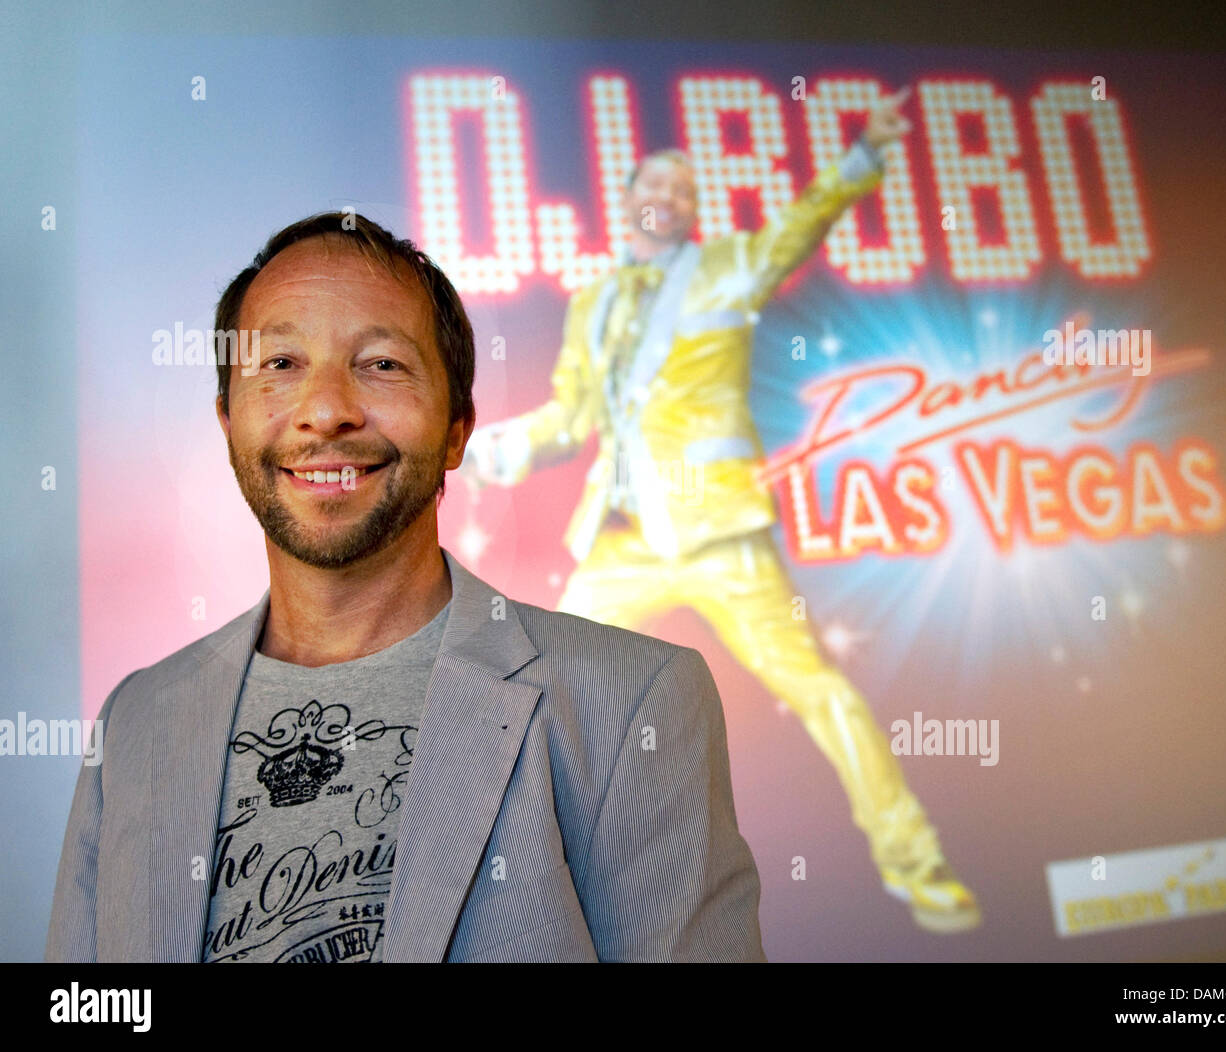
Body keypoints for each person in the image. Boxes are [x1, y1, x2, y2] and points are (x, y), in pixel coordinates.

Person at [45, 213, 764, 963]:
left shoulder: (633, 699)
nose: (326, 412)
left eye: (382, 364)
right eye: (281, 363)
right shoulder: (138, 721)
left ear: (458, 428)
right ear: (228, 420)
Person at [463, 88, 980, 932]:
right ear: (628, 198)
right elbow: (570, 419)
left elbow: (799, 228)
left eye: (685, 188)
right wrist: (478, 451)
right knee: (537, 695)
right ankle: (515, 892)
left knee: (818, 690)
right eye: (654, 183)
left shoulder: (731, 264)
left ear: (695, 211)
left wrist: (860, 159)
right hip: (623, 542)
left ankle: (915, 862)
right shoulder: (593, 302)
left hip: (718, 537)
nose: (668, 196)